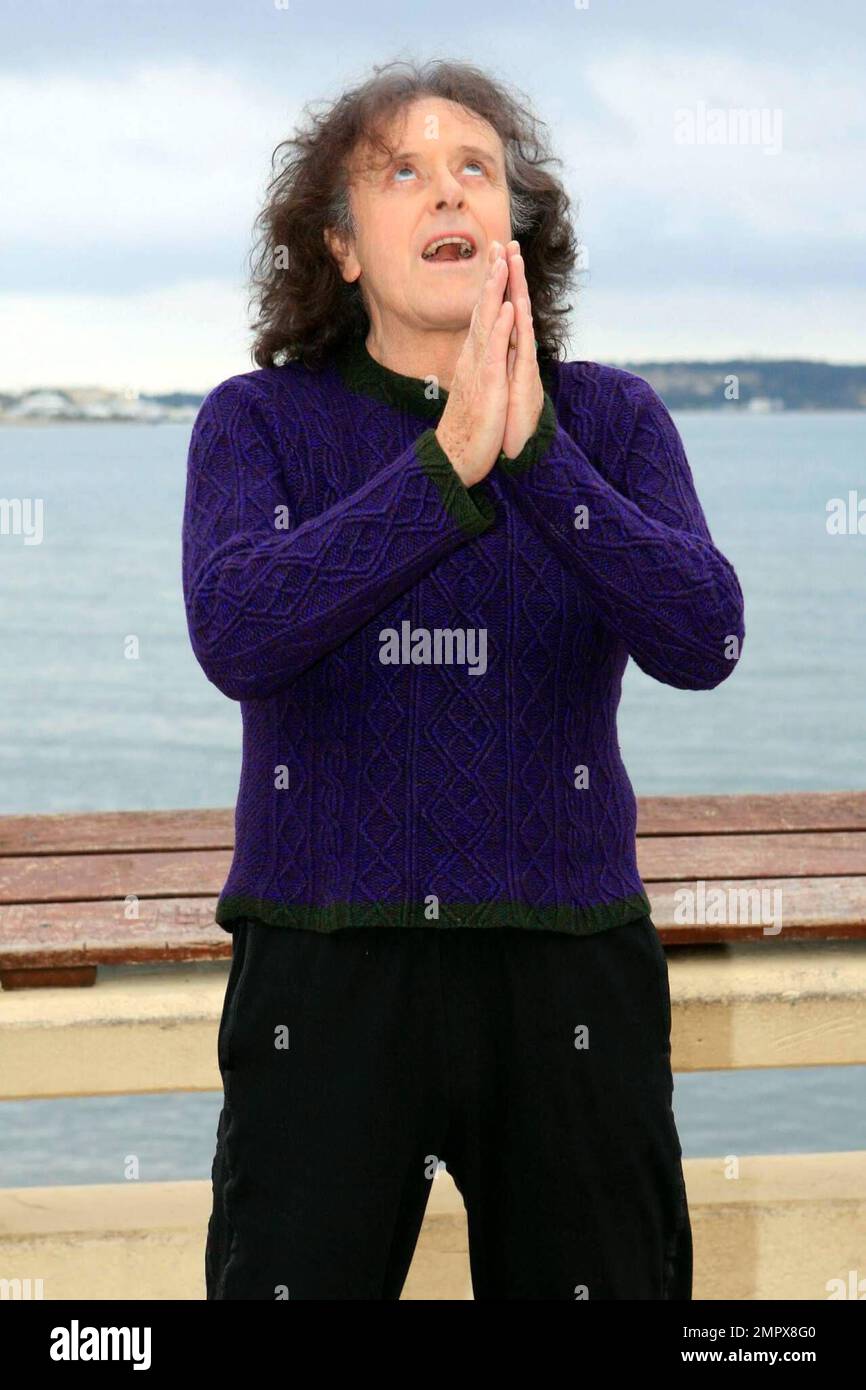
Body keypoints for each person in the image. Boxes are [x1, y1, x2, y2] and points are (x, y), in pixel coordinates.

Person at [182, 58, 745, 1300]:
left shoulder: (615, 422)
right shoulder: (254, 423)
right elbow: (237, 630)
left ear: (512, 231)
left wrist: (534, 456)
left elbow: (703, 639)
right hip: (326, 966)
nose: (445, 191)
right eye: (401, 172)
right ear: (336, 246)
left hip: (566, 964)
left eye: (473, 169)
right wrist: (443, 470)